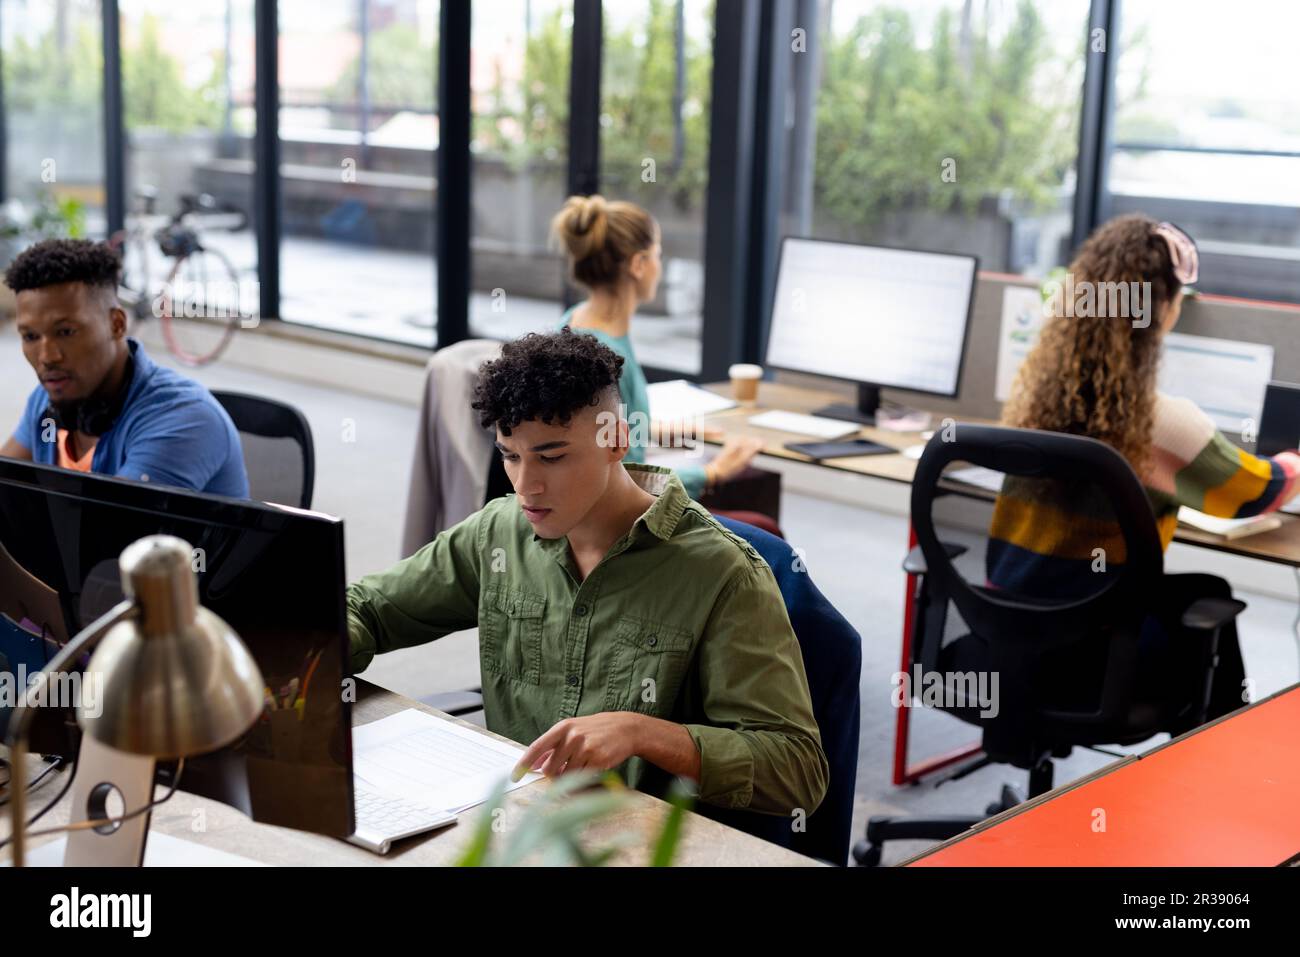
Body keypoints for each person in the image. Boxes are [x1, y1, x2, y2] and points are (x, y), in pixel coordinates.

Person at [347, 329, 827, 815]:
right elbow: (367, 608)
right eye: (510, 456)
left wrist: (645, 734)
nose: (526, 485)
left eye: (552, 457)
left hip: (635, 841)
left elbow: (798, 771)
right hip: (512, 824)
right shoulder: (498, 533)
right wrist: (295, 654)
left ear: (617, 439)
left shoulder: (723, 573)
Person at [988, 214, 1300, 722]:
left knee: (1201, 591)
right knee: (1208, 604)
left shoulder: (1037, 400)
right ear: (1165, 307)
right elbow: (1254, 493)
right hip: (1091, 653)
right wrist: (1295, 460)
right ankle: (1205, 761)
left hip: (1006, 635)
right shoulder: (1159, 422)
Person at [550, 194, 763, 499]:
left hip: (577, 503)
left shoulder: (573, 321)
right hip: (619, 523)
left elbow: (590, 434)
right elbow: (628, 481)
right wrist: (714, 472)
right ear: (638, 264)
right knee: (762, 524)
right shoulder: (609, 358)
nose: (659, 267)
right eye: (657, 255)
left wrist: (661, 429)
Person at [0, 238, 249, 498]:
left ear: (117, 324)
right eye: (30, 337)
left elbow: (107, 534)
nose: (47, 356)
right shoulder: (47, 404)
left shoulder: (184, 421)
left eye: (65, 331)